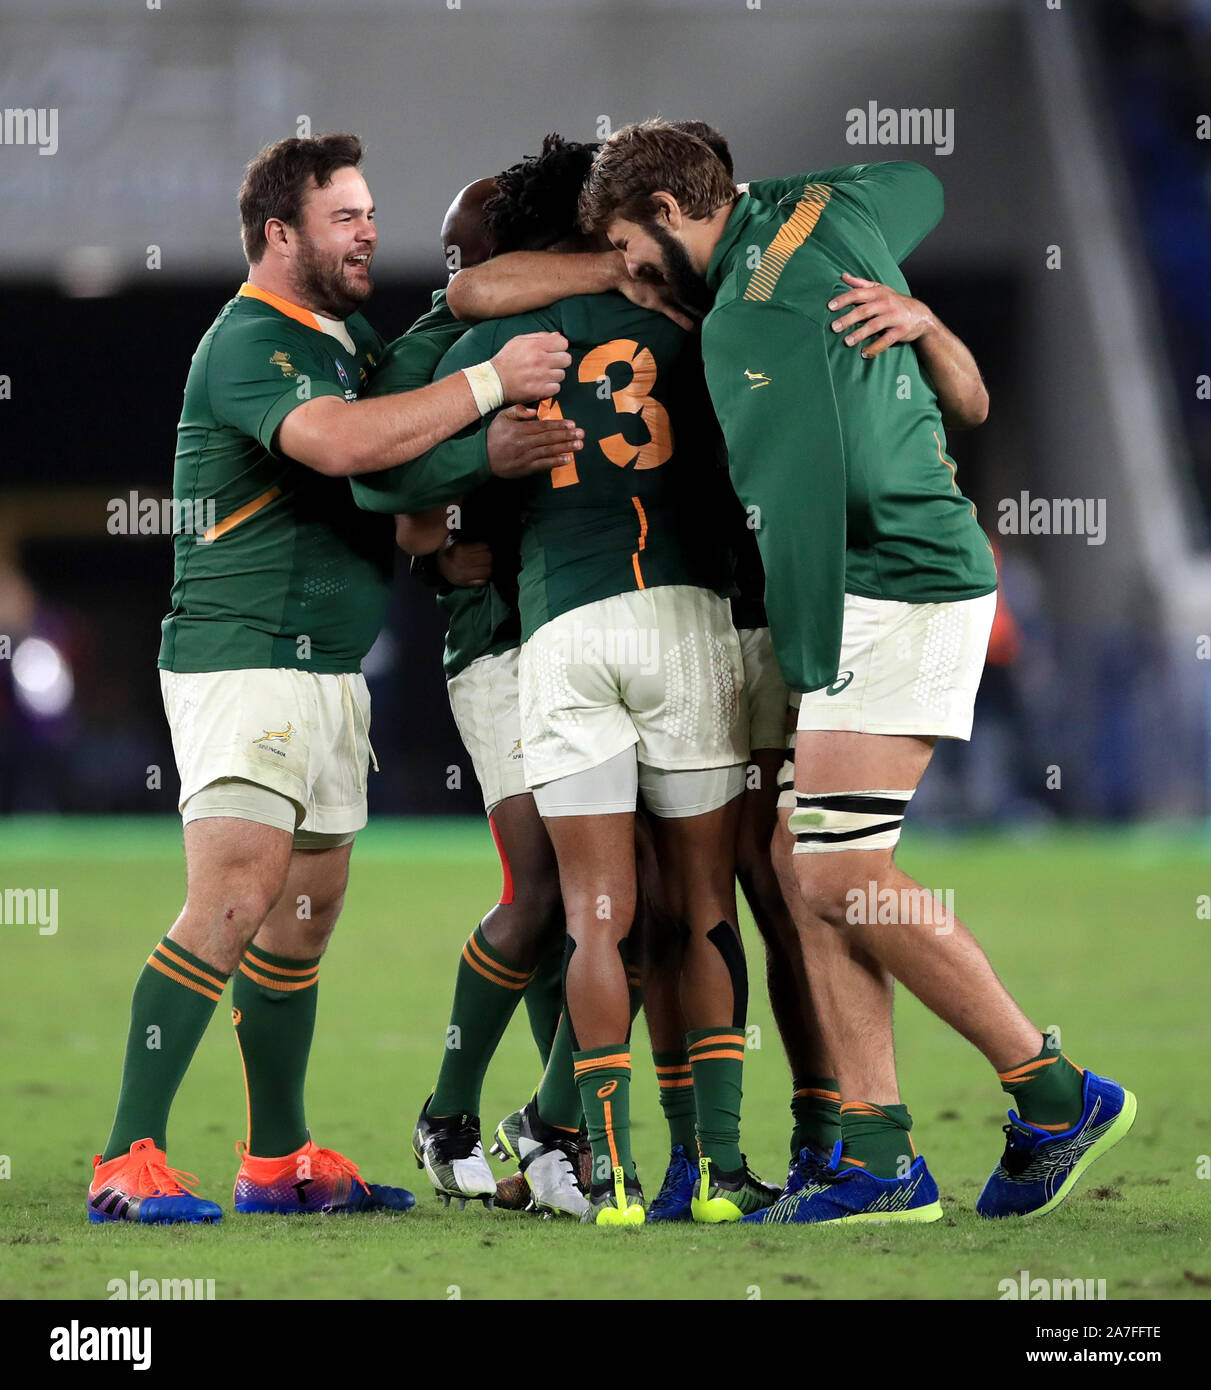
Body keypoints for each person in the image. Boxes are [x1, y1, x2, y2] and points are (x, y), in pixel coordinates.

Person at [577, 121, 1136, 1224]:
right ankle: (878, 1157)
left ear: (664, 210)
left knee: (834, 873)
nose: (627, 274)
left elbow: (791, 513)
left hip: (890, 588)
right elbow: (915, 183)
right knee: (805, 858)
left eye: (627, 247)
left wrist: (799, 668)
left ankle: (1051, 1092)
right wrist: (923, 317)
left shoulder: (744, 317)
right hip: (920, 568)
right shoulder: (836, 209)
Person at [88, 133, 570, 1225]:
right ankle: (126, 1155)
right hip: (242, 654)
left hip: (330, 670)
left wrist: (442, 525)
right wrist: (489, 387)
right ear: (279, 234)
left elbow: (384, 500)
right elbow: (344, 447)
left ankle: (276, 1157)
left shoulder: (347, 337)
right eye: (344, 215)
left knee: (300, 919)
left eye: (367, 211)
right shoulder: (249, 340)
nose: (368, 231)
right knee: (231, 901)